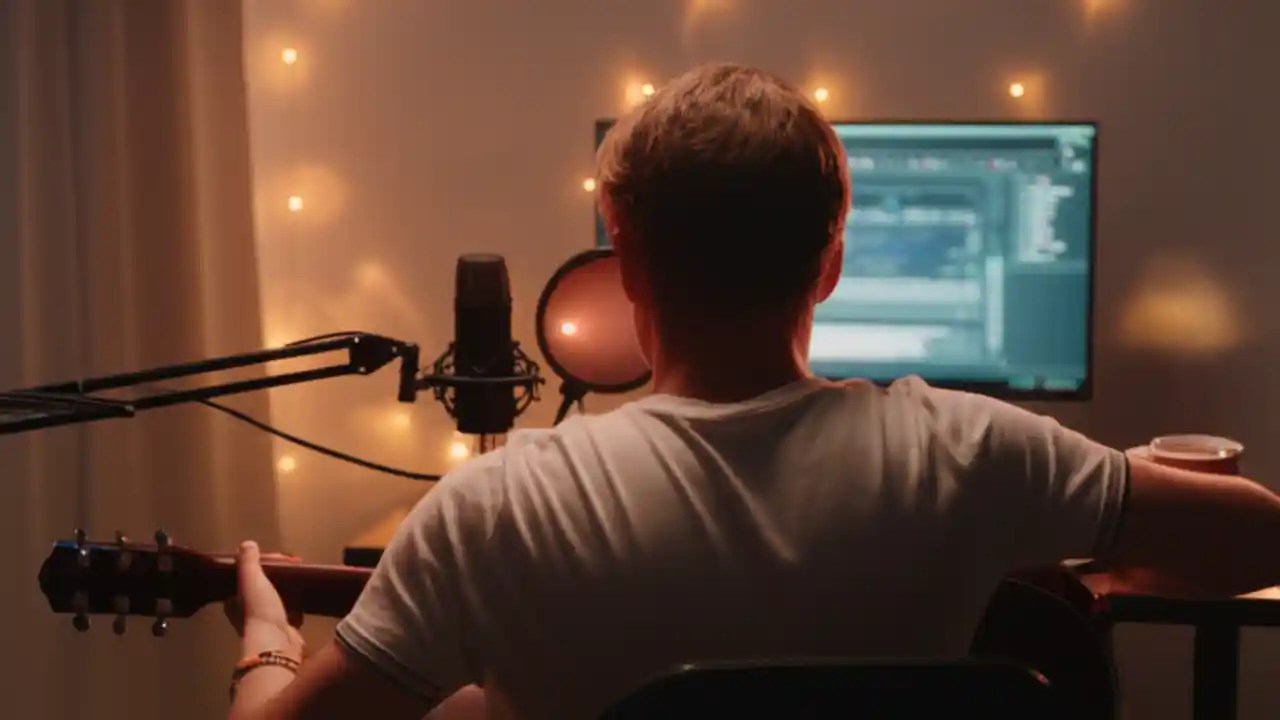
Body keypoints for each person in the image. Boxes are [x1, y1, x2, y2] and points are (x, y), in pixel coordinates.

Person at [224, 63, 1280, 720]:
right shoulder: (973, 454)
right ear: (829, 264)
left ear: (623, 266)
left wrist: (267, 636)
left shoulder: (495, 512)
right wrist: (1112, 516)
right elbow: (1254, 539)